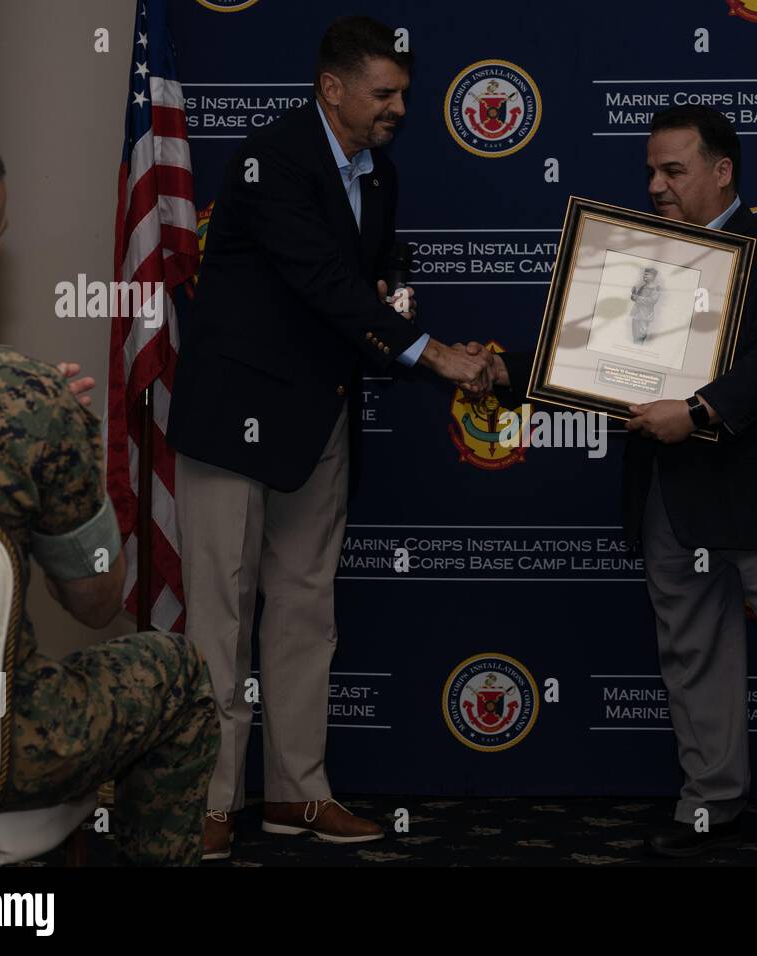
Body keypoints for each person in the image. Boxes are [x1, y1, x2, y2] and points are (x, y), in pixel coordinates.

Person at [486, 105, 757, 866]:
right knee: (692, 656)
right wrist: (503, 369)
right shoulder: (640, 258)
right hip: (675, 497)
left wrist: (699, 410)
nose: (656, 186)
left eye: (673, 170)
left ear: (721, 171)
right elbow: (585, 355)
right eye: (649, 172)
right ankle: (710, 804)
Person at [167, 16, 491, 860]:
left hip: (321, 417)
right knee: (220, 620)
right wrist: (429, 356)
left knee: (306, 613)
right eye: (384, 94)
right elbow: (320, 279)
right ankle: (204, 803)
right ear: (332, 88)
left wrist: (418, 313)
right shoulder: (271, 158)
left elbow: (375, 271)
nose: (398, 109)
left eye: (405, 96)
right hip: (234, 422)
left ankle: (296, 796)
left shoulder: (376, 173)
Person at [0, 134, 218, 866]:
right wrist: (66, 439)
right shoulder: (31, 399)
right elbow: (96, 602)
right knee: (176, 671)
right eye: (0, 237)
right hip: (1, 745)